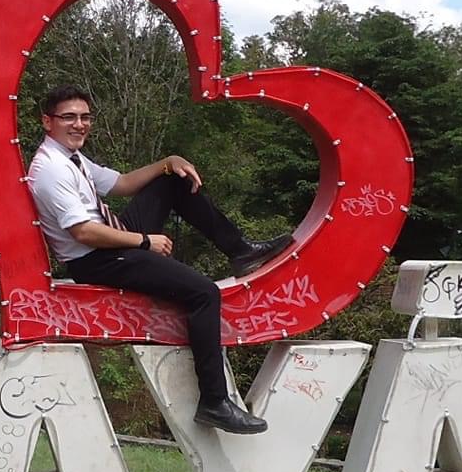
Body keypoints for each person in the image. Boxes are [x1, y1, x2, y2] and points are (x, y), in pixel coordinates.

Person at [26, 84, 289, 434]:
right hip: (96, 258)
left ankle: (241, 252)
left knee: (172, 182)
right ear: (48, 121)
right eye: (69, 117)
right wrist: (144, 241)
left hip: (111, 239)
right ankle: (214, 401)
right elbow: (84, 233)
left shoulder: (73, 158)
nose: (79, 124)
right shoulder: (51, 169)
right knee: (204, 292)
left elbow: (120, 183)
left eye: (85, 117)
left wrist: (168, 163)